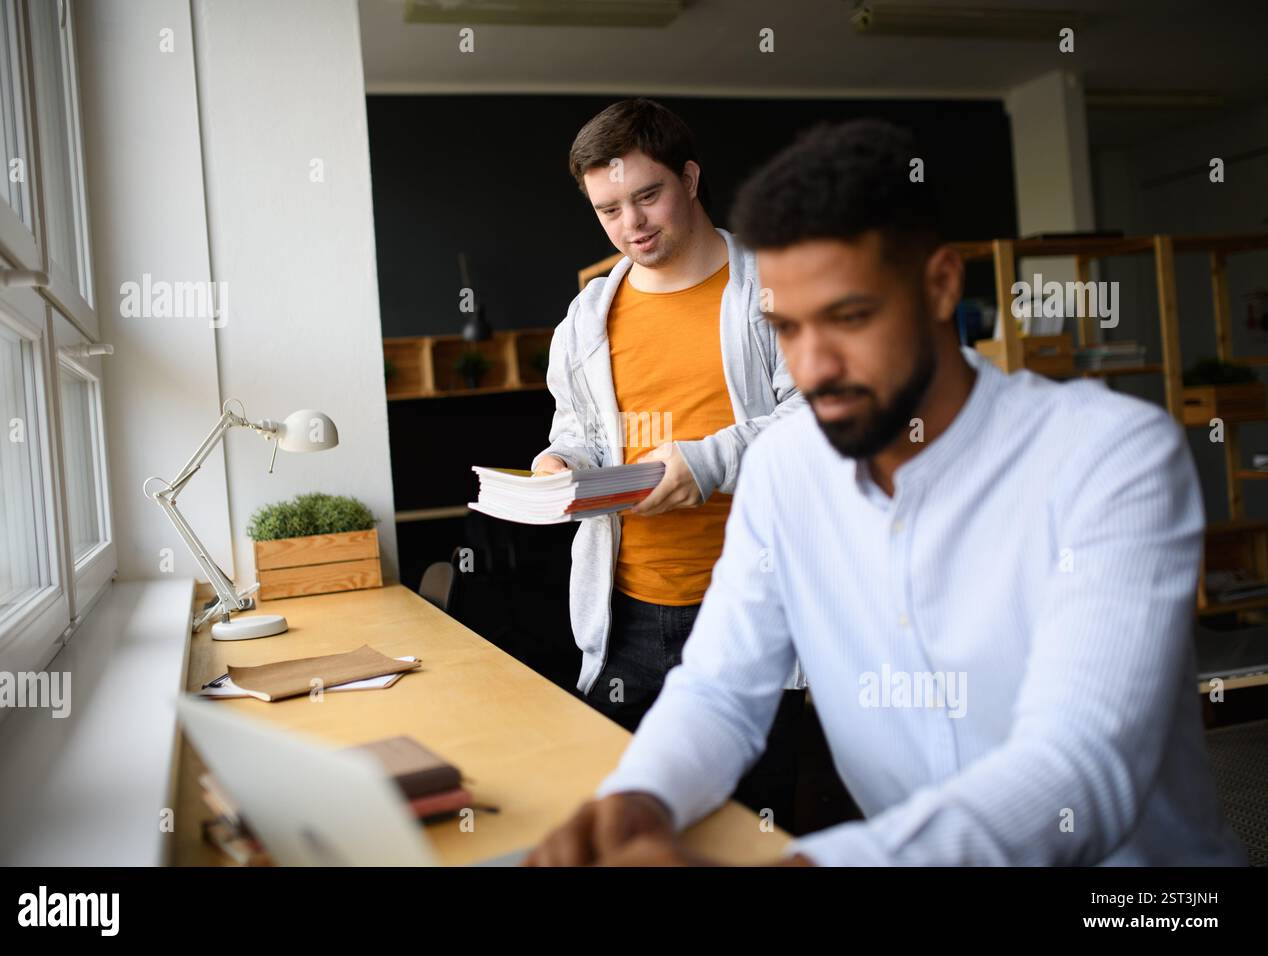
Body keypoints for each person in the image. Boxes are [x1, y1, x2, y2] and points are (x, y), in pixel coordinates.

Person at [525, 118, 1246, 866]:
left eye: (849, 317)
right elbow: (718, 692)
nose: (815, 368)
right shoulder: (786, 467)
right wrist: (638, 801)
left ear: (939, 284)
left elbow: (1080, 768)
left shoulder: (1108, 455)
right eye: (788, 328)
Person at [531, 99, 808, 825]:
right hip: (626, 619)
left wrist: (710, 460)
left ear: (690, 178)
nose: (632, 225)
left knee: (757, 826)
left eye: (647, 196)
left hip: (754, 610)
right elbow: (578, 429)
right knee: (627, 827)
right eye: (609, 209)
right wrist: (559, 462)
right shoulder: (588, 316)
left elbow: (823, 418)